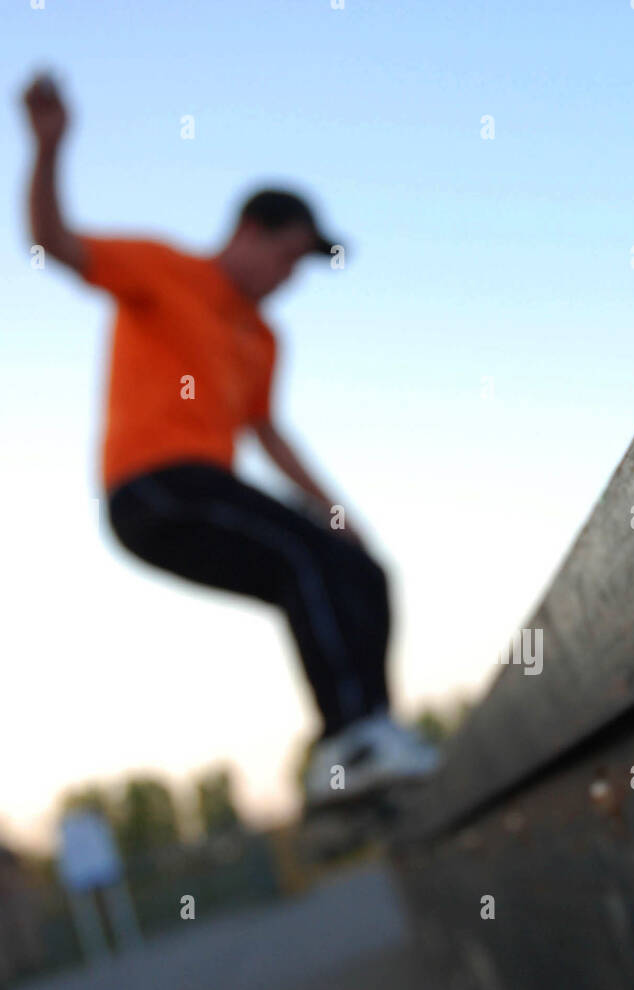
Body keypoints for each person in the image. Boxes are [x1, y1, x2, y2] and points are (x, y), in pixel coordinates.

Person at [21, 73, 438, 806]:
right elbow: (52, 242)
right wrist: (50, 146)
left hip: (210, 495)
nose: (287, 279)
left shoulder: (263, 338)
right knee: (300, 555)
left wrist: (340, 514)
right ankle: (354, 737)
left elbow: (268, 433)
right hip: (153, 488)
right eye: (286, 257)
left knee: (360, 570)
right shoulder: (164, 269)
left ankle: (361, 757)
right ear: (248, 232)